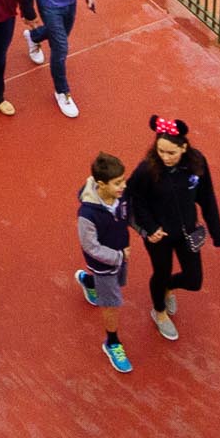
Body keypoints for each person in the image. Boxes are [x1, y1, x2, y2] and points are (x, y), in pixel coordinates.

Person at [125, 116, 220, 343]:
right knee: (161, 271)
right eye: (161, 151)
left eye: (171, 153)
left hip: (187, 231)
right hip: (159, 236)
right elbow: (135, 198)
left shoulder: (197, 162)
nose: (165, 158)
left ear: (184, 147)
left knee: (194, 279)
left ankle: (167, 288)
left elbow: (207, 196)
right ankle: (158, 311)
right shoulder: (146, 170)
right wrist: (149, 227)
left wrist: (216, 232)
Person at [75, 151, 136, 374]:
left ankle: (88, 282)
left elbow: (129, 216)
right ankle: (112, 342)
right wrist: (119, 256)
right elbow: (90, 246)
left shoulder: (121, 196)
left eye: (123, 180)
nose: (123, 186)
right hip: (106, 263)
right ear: (101, 184)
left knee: (113, 286)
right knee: (111, 302)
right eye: (118, 183)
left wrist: (147, 231)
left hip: (120, 255)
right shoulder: (87, 214)